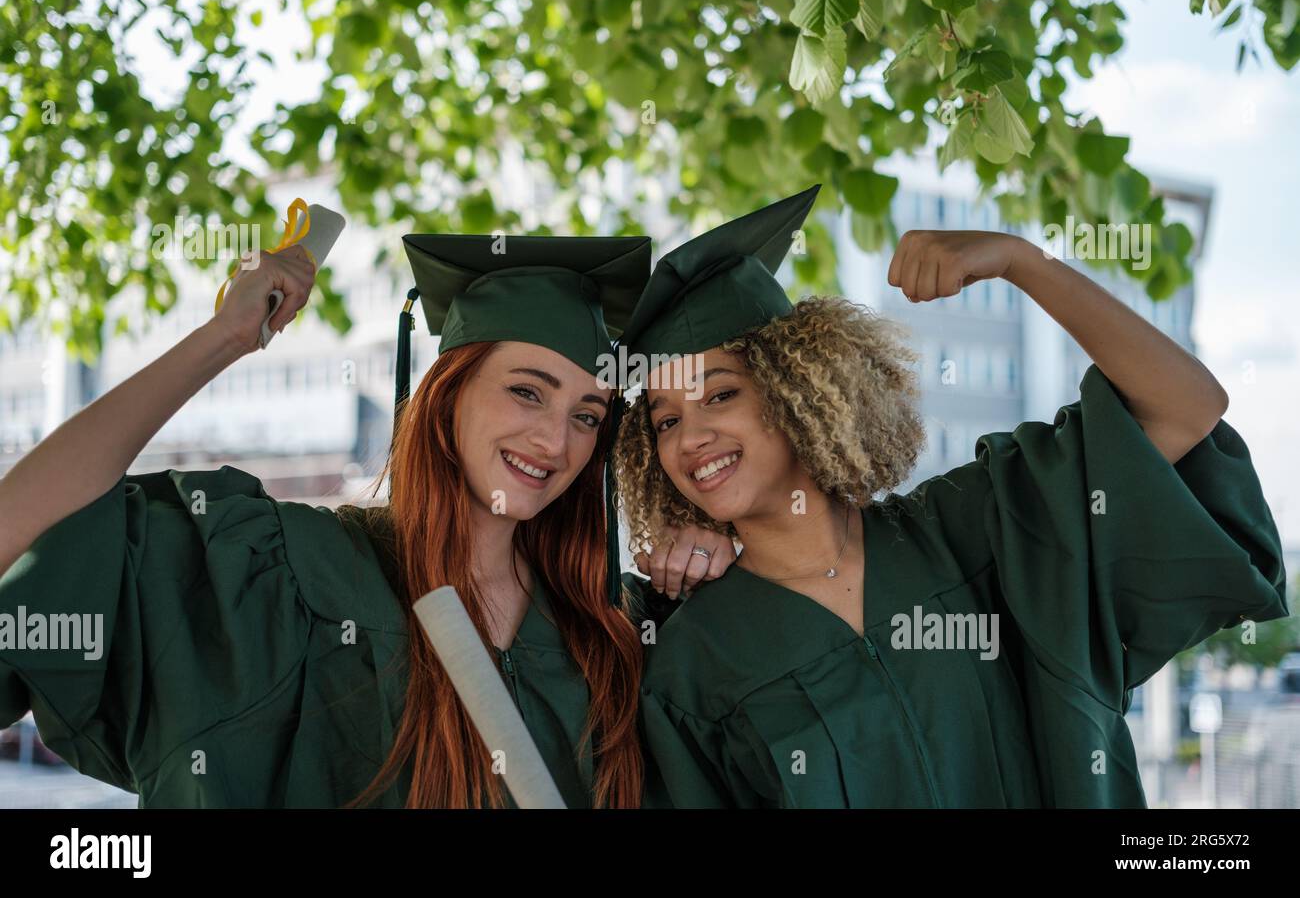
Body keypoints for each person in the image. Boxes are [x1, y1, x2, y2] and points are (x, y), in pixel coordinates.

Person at [0, 227, 734, 808]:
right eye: (526, 392)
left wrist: (715, 559)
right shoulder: (286, 574)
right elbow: (22, 530)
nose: (556, 441)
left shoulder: (611, 626)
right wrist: (225, 337)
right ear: (446, 398)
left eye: (587, 415)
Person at [614, 185, 1290, 807]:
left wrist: (1024, 262)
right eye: (666, 420)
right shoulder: (692, 665)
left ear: (799, 391)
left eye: (721, 394)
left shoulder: (978, 526)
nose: (692, 435)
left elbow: (1185, 408)